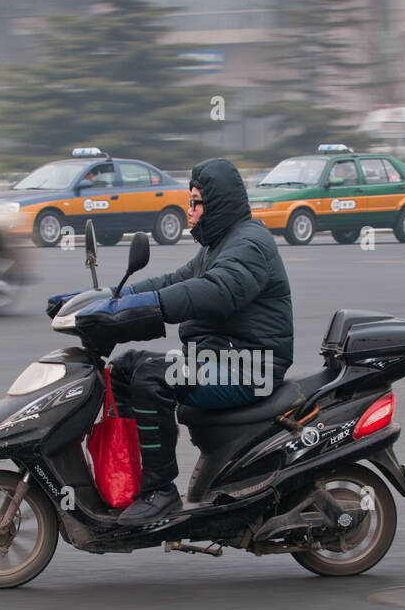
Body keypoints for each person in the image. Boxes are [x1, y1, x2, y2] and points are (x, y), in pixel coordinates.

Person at [49, 158, 293, 525]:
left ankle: (160, 492)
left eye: (195, 202)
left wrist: (140, 308)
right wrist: (106, 298)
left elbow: (215, 291)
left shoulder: (250, 244)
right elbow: (170, 281)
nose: (189, 211)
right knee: (126, 370)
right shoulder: (219, 245)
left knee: (153, 377)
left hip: (249, 367)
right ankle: (128, 481)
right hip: (217, 358)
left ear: (218, 203)